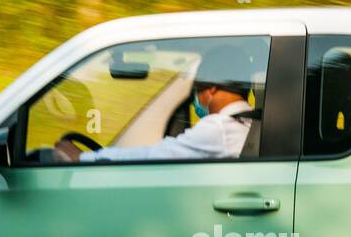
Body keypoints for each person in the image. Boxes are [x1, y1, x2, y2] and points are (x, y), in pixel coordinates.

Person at [53, 46, 256, 163]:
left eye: (197, 88)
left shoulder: (219, 129)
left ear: (211, 88)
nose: (197, 97)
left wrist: (85, 158)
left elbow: (156, 156)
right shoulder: (249, 122)